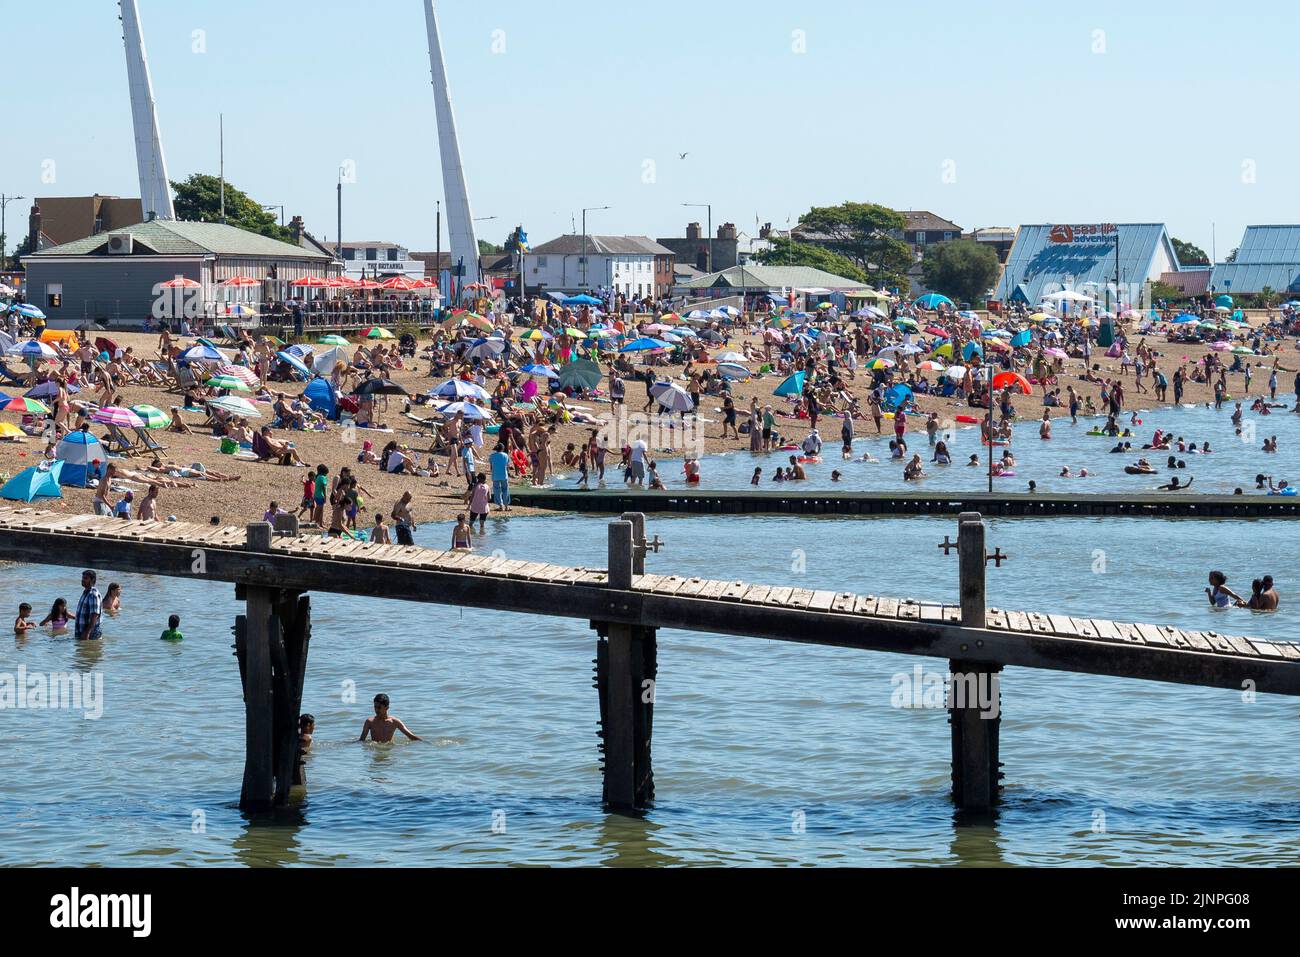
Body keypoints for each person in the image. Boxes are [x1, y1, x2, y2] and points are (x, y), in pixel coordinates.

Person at [74, 570, 102, 640]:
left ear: (92, 580)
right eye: (82, 578)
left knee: (90, 651)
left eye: (86, 578)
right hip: (83, 631)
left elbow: (95, 614)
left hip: (90, 633)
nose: (83, 580)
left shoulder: (93, 594)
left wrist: (87, 632)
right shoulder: (86, 592)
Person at [489, 443, 511, 511]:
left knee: (497, 490)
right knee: (505, 490)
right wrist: (508, 473)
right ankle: (506, 506)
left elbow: (491, 466)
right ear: (503, 448)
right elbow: (507, 466)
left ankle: (500, 505)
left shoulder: (492, 456)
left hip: (495, 475)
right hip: (504, 475)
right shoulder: (505, 455)